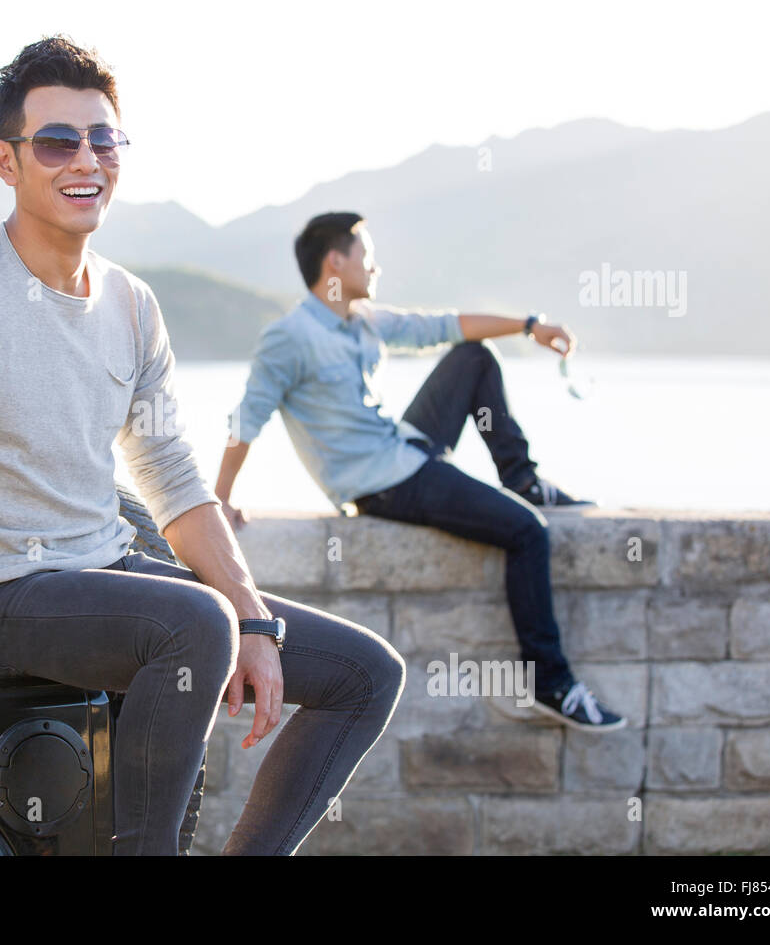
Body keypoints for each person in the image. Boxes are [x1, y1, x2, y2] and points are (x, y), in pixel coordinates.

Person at [0, 40, 405, 855]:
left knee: (365, 674)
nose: (85, 159)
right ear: (7, 161)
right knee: (195, 625)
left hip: (106, 572)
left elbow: (173, 480)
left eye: (103, 140)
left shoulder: (132, 304)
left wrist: (255, 616)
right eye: (58, 142)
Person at [216, 211, 626, 732]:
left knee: (473, 357)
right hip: (384, 485)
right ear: (335, 261)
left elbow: (446, 327)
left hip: (404, 449)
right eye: (366, 255)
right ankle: (552, 683)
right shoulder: (290, 336)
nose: (375, 267)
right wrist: (219, 500)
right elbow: (247, 420)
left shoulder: (361, 319)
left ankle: (522, 477)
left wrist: (530, 327)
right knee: (527, 532)